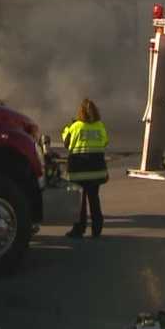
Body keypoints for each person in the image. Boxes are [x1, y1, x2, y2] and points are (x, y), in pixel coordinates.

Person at [62, 98, 109, 238]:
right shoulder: (100, 126)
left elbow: (66, 143)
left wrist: (67, 128)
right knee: (94, 199)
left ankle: (79, 229)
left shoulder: (75, 127)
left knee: (79, 203)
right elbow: (105, 142)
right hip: (96, 171)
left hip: (79, 171)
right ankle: (97, 229)